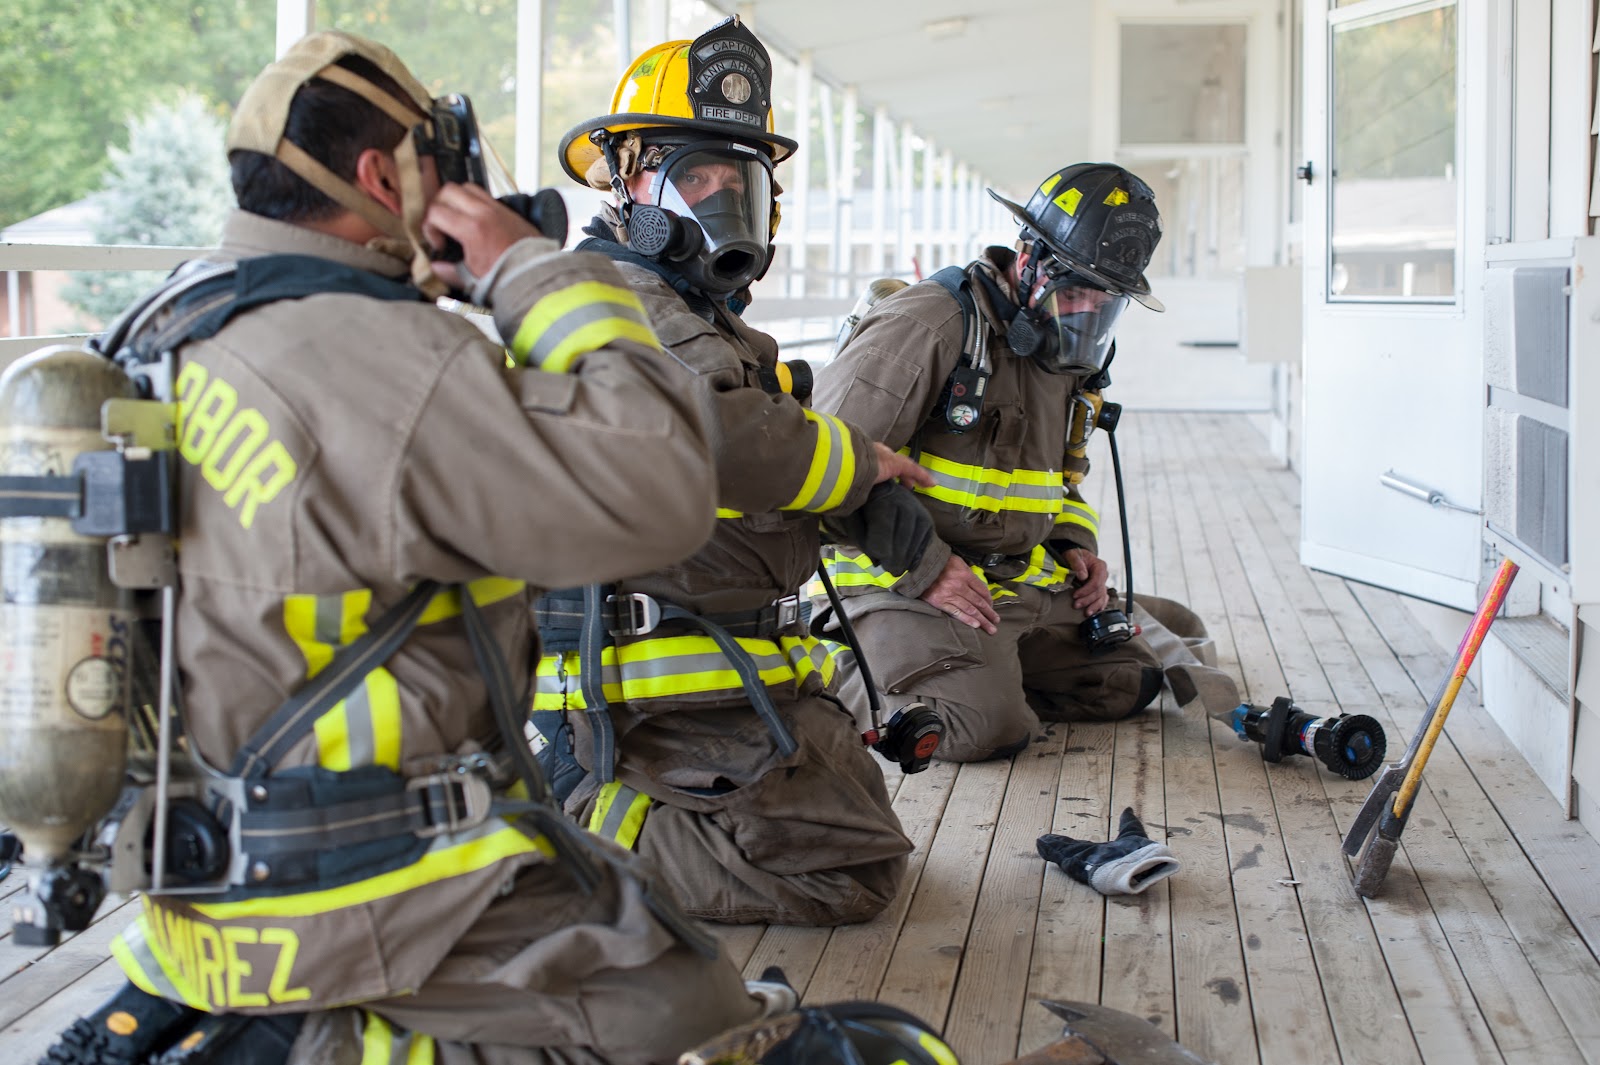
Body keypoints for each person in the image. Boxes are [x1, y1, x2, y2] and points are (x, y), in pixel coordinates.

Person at [39, 30, 770, 1065]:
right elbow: (662, 490)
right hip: (378, 896)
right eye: (442, 167)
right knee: (685, 1002)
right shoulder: (377, 356)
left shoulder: (159, 329)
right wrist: (526, 268)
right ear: (385, 175)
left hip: (195, 894)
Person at [535, 15, 928, 928]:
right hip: (639, 698)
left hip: (730, 670)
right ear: (630, 181)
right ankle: (574, 826)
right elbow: (719, 436)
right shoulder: (605, 300)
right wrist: (854, 460)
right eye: (696, 174)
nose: (721, 199)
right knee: (846, 879)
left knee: (859, 831)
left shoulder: (700, 317)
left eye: (738, 178)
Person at [810, 163, 1180, 763]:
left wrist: (1069, 544)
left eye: (1104, 300)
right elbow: (825, 463)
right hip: (898, 582)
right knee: (984, 728)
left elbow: (1057, 484)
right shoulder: (929, 324)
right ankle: (818, 670)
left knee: (1124, 682)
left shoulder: (1066, 355)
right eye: (1075, 290)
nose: (1085, 311)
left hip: (1007, 586)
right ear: (1028, 256)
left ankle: (979, 670)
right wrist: (926, 567)